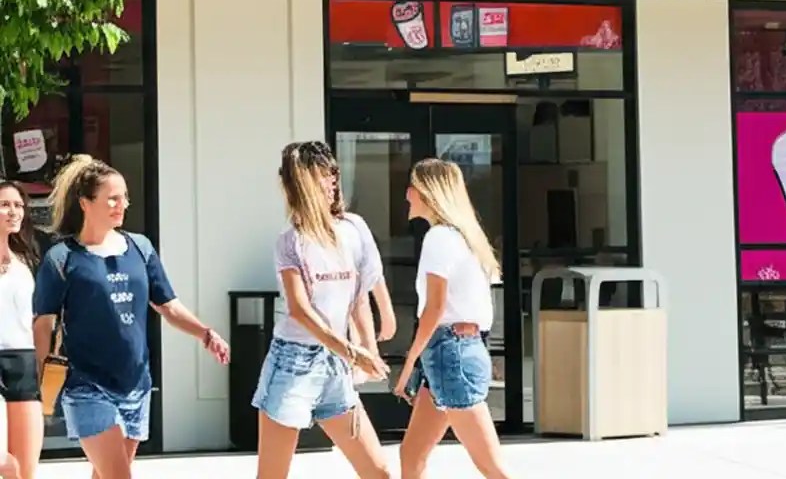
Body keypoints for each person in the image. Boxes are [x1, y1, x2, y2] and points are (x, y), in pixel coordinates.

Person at [31, 156, 230, 479]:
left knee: (107, 474)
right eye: (112, 197)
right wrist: (46, 377)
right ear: (85, 203)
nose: (121, 204)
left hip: (136, 385)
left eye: (124, 196)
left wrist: (206, 333)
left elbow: (168, 306)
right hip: (87, 387)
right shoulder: (62, 259)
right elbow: (43, 324)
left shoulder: (140, 248)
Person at [253, 141, 391, 479]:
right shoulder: (291, 242)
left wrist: (371, 344)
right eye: (321, 176)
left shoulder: (354, 228)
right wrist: (354, 352)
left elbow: (359, 296)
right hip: (292, 364)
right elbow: (300, 311)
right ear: (300, 185)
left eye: (333, 174)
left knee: (378, 472)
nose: (331, 183)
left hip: (335, 364)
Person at [393, 158, 510, 479]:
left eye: (412, 187)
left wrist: (408, 363)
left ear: (429, 192)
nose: (407, 195)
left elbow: (435, 307)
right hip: (454, 352)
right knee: (412, 455)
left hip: (451, 354)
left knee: (491, 467)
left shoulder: (440, 238)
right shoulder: (463, 237)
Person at [0, 181, 42, 479]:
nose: (14, 211)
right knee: (6, 464)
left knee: (24, 470)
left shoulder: (26, 260)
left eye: (18, 205)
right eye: (5, 205)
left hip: (24, 362)